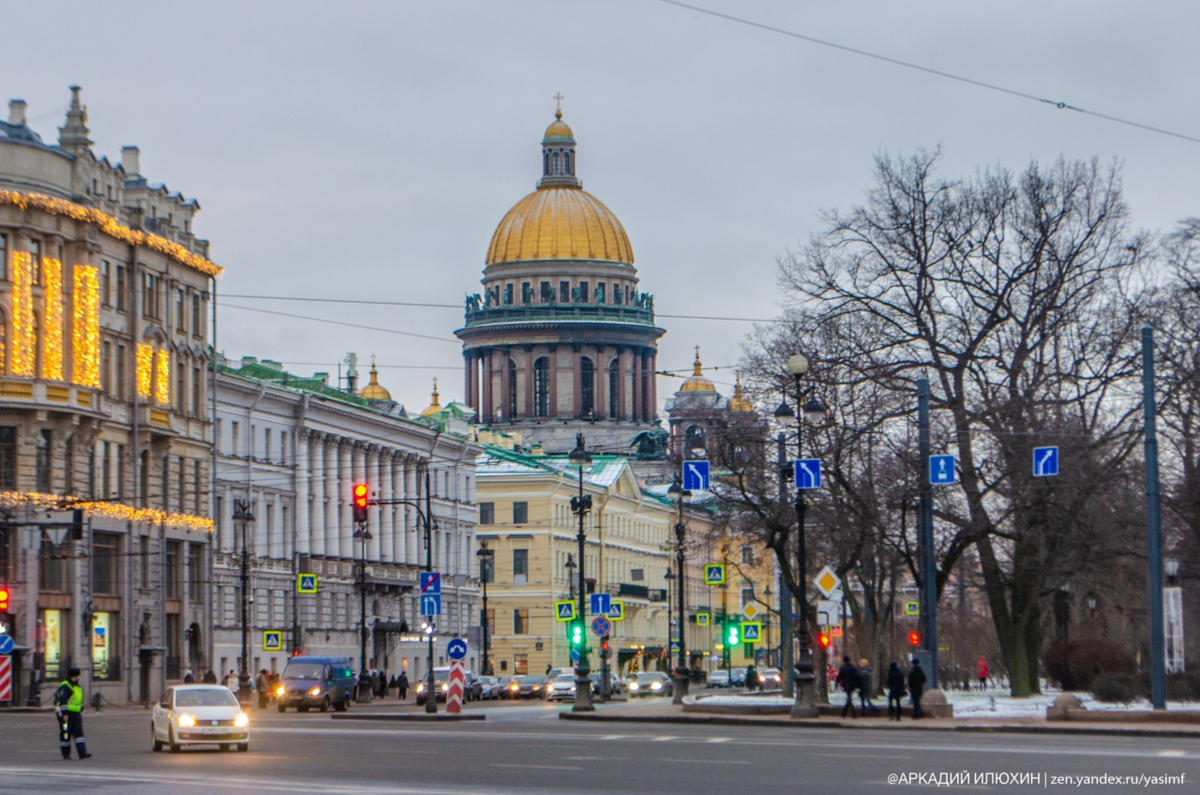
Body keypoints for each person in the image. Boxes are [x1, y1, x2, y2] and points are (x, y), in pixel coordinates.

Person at [54, 667, 91, 760]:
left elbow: (77, 701)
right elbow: (63, 701)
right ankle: (66, 754)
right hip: (66, 714)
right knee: (66, 733)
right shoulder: (66, 686)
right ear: (76, 676)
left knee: (79, 733)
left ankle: (82, 753)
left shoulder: (77, 687)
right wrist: (65, 714)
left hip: (75, 713)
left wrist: (81, 710)